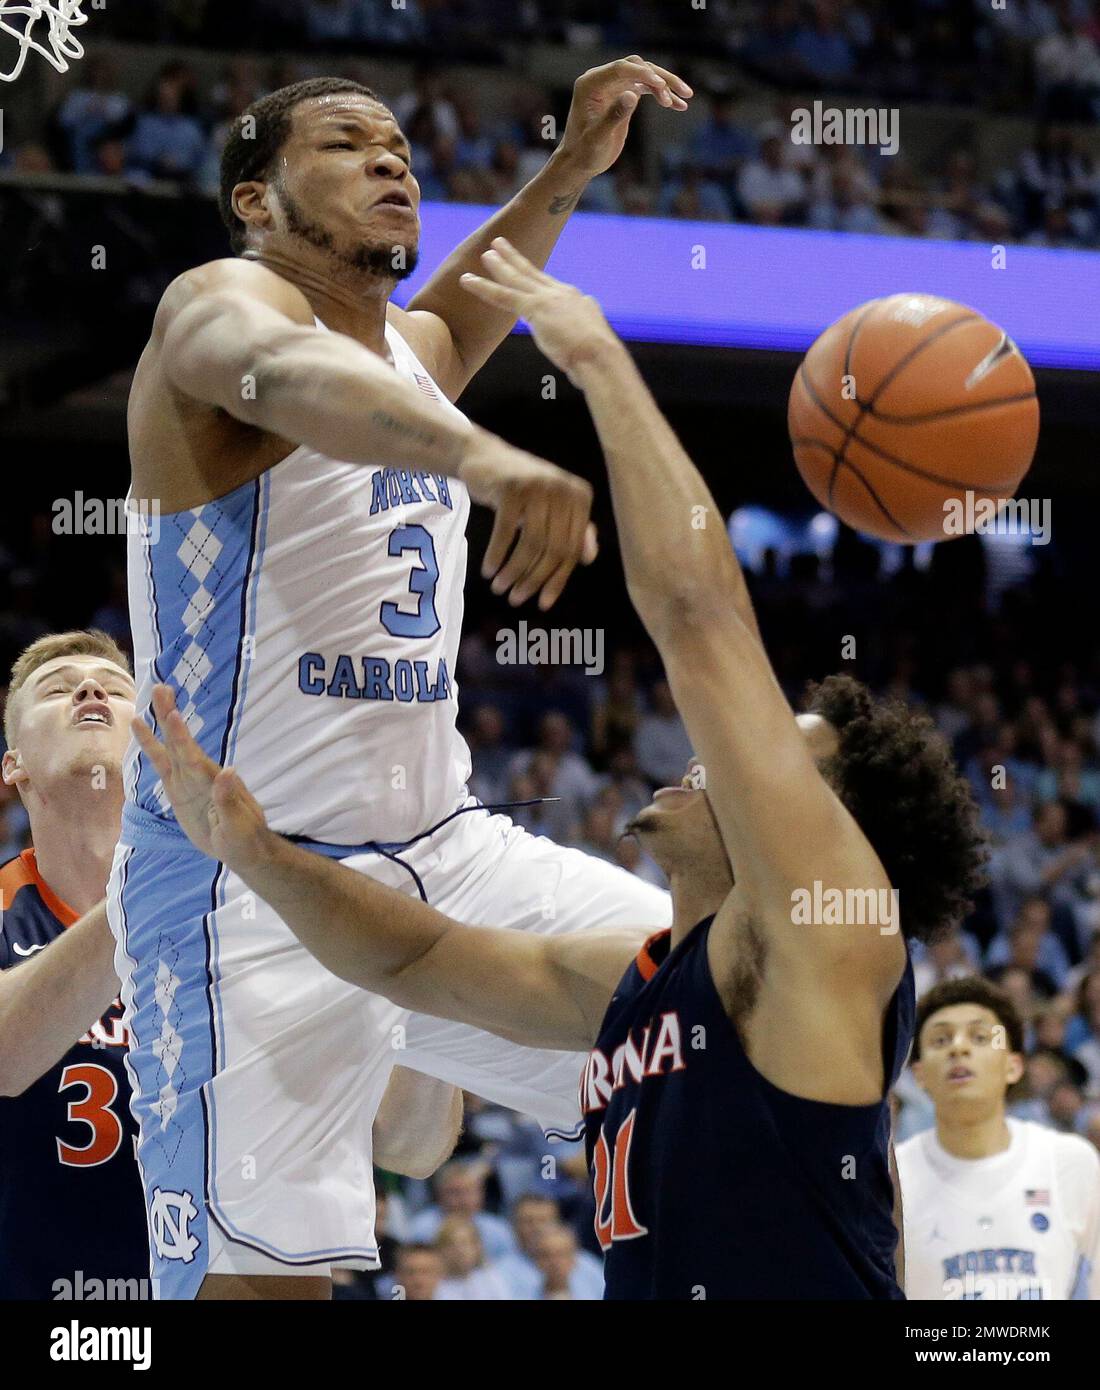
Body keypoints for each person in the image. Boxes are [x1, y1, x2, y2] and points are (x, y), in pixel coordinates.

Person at [134, 238, 988, 1298]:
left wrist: (597, 361)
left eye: (777, 765)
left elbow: (698, 614)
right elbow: (412, 959)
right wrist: (253, 852)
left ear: (826, 832)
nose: (715, 759)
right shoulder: (644, 977)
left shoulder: (832, 931)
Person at [113, 61, 691, 1301]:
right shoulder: (216, 304)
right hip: (243, 875)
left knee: (719, 1015)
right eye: (346, 145)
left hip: (443, 849)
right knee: (265, 1291)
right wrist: (483, 455)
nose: (393, 161)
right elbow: (299, 384)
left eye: (400, 146)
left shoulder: (410, 350)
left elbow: (471, 294)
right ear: (256, 199)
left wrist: (573, 166)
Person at [897, 977, 1100, 1299]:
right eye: (940, 1040)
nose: (958, 1048)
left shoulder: (1071, 1162)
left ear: (1013, 1066)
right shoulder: (893, 1178)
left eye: (979, 1037)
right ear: (919, 1074)